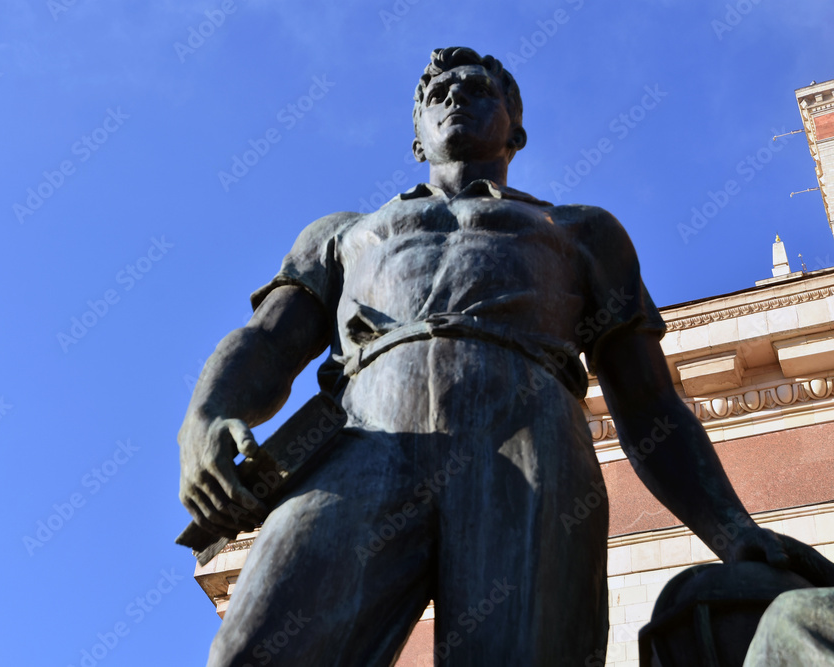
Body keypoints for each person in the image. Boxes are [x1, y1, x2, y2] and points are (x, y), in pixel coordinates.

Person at [178, 46, 791, 665]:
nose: (453, 97)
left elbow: (650, 403)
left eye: (475, 88)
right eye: (436, 94)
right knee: (254, 653)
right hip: (367, 437)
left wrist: (733, 528)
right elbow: (267, 340)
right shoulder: (341, 235)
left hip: (529, 441)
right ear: (416, 138)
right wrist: (204, 418)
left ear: (515, 127)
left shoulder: (580, 231)